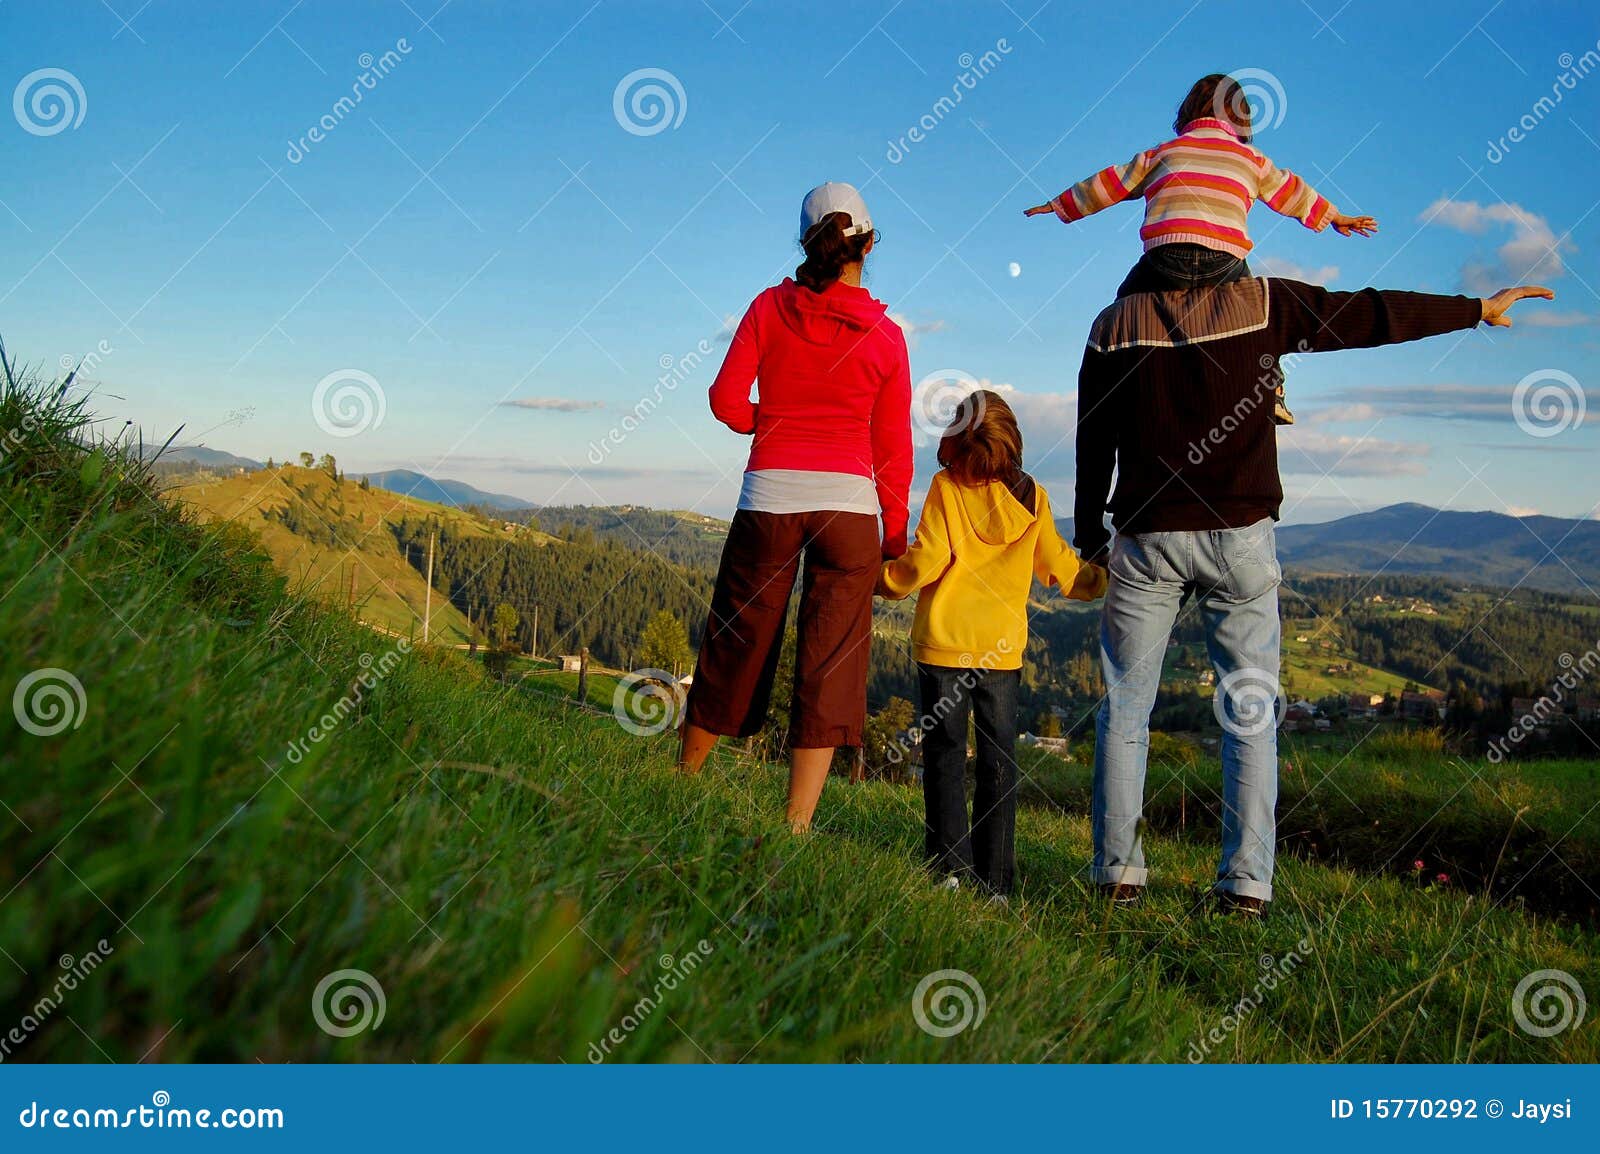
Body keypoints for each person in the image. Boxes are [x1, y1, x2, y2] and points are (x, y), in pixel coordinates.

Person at [1073, 275, 1553, 916]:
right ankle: (1246, 888)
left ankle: (1118, 879)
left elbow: (1094, 436)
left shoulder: (1113, 323)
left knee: (1126, 712)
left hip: (1146, 532)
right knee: (1249, 716)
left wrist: (1089, 537)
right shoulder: (1263, 301)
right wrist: (1475, 309)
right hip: (1240, 534)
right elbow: (1371, 313)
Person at [679, 182, 913, 833]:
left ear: (807, 244)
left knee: (737, 639)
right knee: (830, 665)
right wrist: (893, 537)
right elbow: (893, 451)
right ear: (868, 245)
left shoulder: (766, 307)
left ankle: (684, 777)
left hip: (770, 501)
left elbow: (726, 401)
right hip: (849, 514)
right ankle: (797, 824)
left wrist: (773, 420)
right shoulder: (887, 336)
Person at [1024, 73, 1378, 425]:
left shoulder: (1161, 153)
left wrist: (1060, 205)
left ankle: (1119, 369)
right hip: (1224, 262)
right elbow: (1293, 192)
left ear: (1188, 111)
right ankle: (1272, 388)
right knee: (1260, 316)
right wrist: (1335, 216)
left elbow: (1108, 184)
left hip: (1164, 261)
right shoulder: (1251, 160)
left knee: (1123, 305)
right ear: (1242, 118)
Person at [877, 391, 1106, 898]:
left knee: (944, 756)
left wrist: (884, 580)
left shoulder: (946, 488)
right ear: (1010, 439)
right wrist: (1102, 579)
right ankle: (997, 879)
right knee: (999, 762)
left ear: (958, 439)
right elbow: (1061, 569)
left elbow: (925, 561)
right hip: (999, 653)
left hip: (943, 646)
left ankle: (949, 869)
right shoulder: (1033, 497)